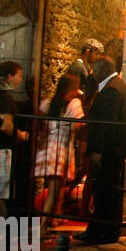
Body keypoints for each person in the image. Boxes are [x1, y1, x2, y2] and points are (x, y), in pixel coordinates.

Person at [79, 57, 126, 245]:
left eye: (94, 70)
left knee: (104, 192)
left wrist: (98, 151)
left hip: (109, 151)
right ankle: (105, 230)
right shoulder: (118, 86)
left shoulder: (111, 90)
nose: (92, 74)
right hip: (115, 150)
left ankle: (100, 231)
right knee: (109, 191)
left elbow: (107, 126)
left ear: (102, 71)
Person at [34, 74, 84, 224]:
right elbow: (77, 125)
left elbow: (40, 123)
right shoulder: (74, 104)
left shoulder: (47, 103)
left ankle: (56, 217)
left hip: (48, 146)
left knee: (59, 184)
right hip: (61, 148)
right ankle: (43, 225)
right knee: (55, 188)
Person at [0, 61, 28, 212]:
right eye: (19, 76)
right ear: (9, 76)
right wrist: (22, 135)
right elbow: (5, 125)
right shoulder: (4, 98)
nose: (20, 80)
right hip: (1, 149)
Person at [66, 39, 105, 109]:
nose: (97, 57)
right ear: (87, 52)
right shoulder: (77, 67)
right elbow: (71, 89)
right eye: (96, 54)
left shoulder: (87, 68)